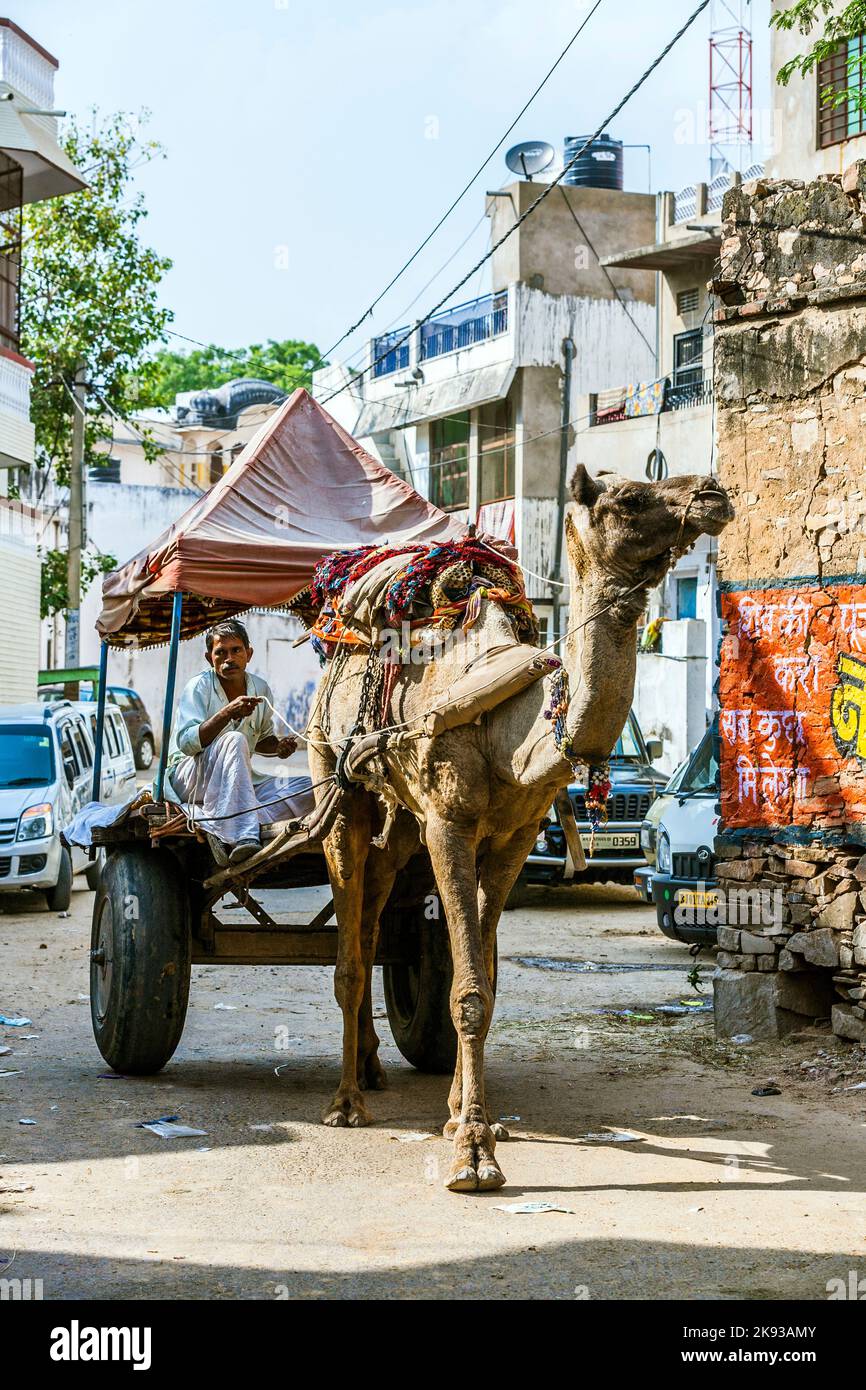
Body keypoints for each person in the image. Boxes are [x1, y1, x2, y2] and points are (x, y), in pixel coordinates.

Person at [166, 619, 315, 865]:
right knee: (234, 739)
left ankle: (244, 817)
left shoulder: (260, 688)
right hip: (190, 778)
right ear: (208, 658)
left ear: (249, 653)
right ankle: (244, 837)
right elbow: (187, 744)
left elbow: (262, 739)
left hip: (238, 781)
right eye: (220, 653)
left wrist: (278, 748)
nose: (229, 658)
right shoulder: (199, 687)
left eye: (236, 650)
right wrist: (227, 713)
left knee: (311, 788)